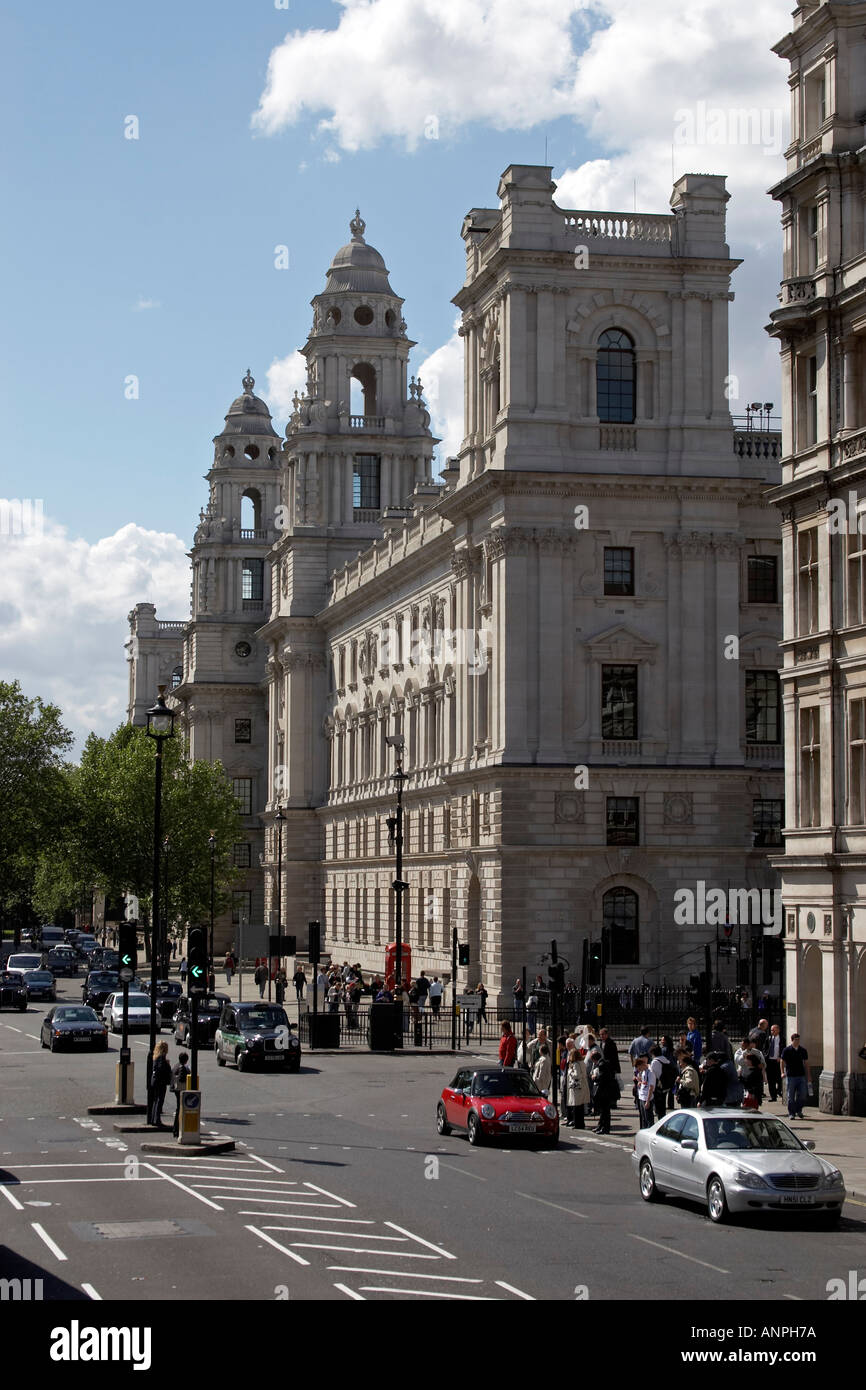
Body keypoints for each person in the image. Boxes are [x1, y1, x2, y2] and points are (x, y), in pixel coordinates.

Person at [588, 1047, 617, 1134]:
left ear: (594, 1059)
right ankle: (600, 1126)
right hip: (606, 1090)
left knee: (605, 1111)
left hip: (604, 1091)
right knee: (603, 1110)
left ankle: (605, 1128)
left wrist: (594, 1077)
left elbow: (602, 1078)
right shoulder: (603, 1063)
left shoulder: (601, 1065)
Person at [781, 1033, 809, 1119]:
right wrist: (782, 1072)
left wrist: (809, 1075)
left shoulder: (803, 1050)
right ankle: (791, 1113)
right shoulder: (787, 1050)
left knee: (803, 1095)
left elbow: (806, 1063)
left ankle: (798, 1109)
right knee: (791, 1096)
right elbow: (782, 1061)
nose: (797, 1041)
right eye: (796, 1040)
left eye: (798, 1040)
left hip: (801, 1075)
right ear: (792, 1040)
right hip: (791, 1076)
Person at [565, 1046, 591, 1128]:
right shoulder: (581, 1062)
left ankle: (577, 1124)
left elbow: (577, 1075)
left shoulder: (575, 1064)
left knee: (576, 1106)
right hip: (582, 1086)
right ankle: (581, 1123)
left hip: (577, 1088)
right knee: (580, 1106)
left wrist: (570, 1073)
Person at [149, 1040, 172, 1129]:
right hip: (160, 1082)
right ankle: (157, 1119)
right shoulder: (161, 1058)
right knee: (159, 1100)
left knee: (156, 1100)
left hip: (155, 1081)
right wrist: (167, 1065)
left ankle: (153, 1119)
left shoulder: (156, 1057)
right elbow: (161, 1069)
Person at [170, 1050, 190, 1137]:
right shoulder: (182, 1067)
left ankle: (176, 1129)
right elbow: (182, 1079)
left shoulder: (176, 1065)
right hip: (180, 1090)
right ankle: (177, 1129)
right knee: (180, 1110)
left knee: (179, 1109)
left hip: (175, 1089)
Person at [599, 1027, 621, 1107]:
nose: (601, 1036)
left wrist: (616, 1069)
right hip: (605, 1067)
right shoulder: (601, 1043)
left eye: (603, 1034)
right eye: (600, 1035)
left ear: (607, 1034)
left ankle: (613, 1101)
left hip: (611, 1067)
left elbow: (614, 1057)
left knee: (612, 1085)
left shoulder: (611, 1043)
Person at [634, 1055, 655, 1128]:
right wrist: (640, 1082)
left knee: (648, 1119)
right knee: (643, 1118)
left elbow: (651, 1087)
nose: (639, 1070)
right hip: (642, 1096)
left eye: (640, 1068)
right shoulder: (643, 1072)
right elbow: (645, 1083)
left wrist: (648, 1101)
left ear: (643, 1065)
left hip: (646, 1098)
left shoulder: (650, 1072)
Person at [765, 1023, 783, 1101]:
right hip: (770, 1062)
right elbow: (764, 1049)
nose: (772, 1031)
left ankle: (779, 1091)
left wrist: (781, 1057)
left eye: (774, 1030)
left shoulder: (782, 1039)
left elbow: (784, 1049)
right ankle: (773, 1096)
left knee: (779, 1079)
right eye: (771, 1030)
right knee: (771, 1080)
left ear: (778, 1030)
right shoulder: (768, 1039)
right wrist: (766, 1056)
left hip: (778, 1062)